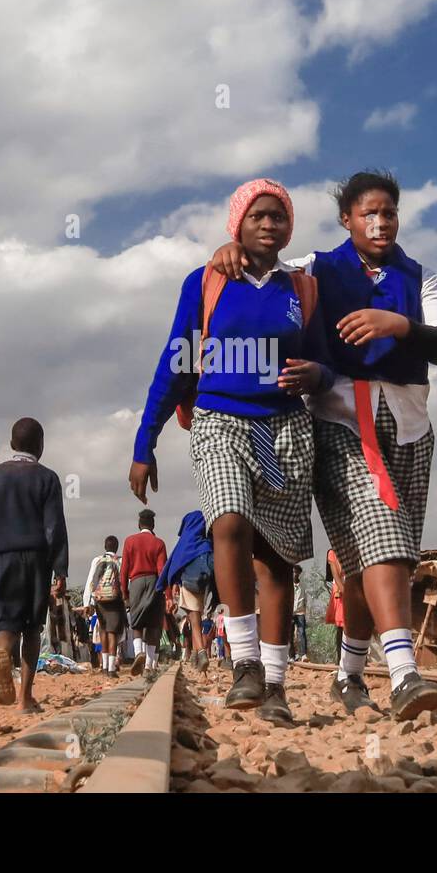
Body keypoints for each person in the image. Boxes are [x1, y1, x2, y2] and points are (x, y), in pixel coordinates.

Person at [210, 170, 437, 720]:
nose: (380, 221)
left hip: (410, 424)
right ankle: (403, 674)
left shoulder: (422, 278)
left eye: (389, 213)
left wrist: (398, 324)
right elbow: (262, 263)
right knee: (383, 534)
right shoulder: (316, 269)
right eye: (368, 213)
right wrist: (229, 250)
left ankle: (349, 674)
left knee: (375, 559)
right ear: (346, 220)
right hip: (343, 420)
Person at [130, 178, 335, 723]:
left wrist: (317, 372)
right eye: (258, 216)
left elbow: (324, 362)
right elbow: (177, 362)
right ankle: (243, 662)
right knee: (227, 523)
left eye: (279, 217)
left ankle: (274, 686)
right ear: (237, 223)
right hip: (220, 421)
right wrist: (144, 440)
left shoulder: (303, 290)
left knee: (277, 561)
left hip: (287, 429)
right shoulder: (206, 282)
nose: (269, 225)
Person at [0, 417, 69, 713]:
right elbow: (54, 527)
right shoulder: (47, 477)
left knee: (4, 619)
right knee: (31, 627)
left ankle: (2, 652)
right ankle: (25, 698)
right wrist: (60, 570)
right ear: (40, 445)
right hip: (35, 559)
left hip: (2, 556)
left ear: (12, 444)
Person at [156, 509, 215, 672]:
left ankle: (201, 652)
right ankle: (196, 653)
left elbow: (174, 565)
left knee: (194, 619)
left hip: (189, 584)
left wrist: (173, 584)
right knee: (199, 615)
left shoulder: (185, 543)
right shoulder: (209, 543)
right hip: (207, 586)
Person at [122, 509, 168, 676]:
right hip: (154, 582)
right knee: (153, 623)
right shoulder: (159, 543)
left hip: (135, 582)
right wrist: (167, 594)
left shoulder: (129, 541)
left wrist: (124, 592)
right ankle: (148, 665)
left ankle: (138, 652)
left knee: (137, 621)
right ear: (153, 524)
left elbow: (124, 569)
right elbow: (162, 570)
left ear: (139, 524)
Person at [83, 535, 125, 678]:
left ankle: (105, 666)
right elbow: (124, 581)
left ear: (105, 547)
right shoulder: (120, 561)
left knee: (103, 630)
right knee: (112, 632)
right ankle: (111, 668)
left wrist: (87, 603)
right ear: (117, 547)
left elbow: (91, 581)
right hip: (114, 600)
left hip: (100, 600)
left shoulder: (97, 560)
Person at [290, 565, 308, 661]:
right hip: (290, 613)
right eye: (293, 572)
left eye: (297, 572)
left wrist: (305, 611)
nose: (295, 574)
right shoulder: (288, 585)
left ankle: (303, 654)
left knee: (301, 632)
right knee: (290, 634)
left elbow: (305, 599)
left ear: (299, 573)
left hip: (300, 612)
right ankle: (291, 655)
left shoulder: (303, 585)